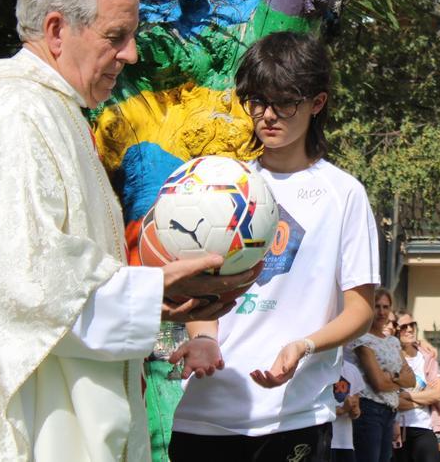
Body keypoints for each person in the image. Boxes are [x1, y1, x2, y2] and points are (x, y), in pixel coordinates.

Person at [0, 0, 257, 460]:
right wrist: (150, 294)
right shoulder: (14, 115)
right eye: (116, 37)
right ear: (55, 31)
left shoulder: (49, 110)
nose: (132, 54)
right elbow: (29, 285)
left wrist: (153, 299)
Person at [168, 31, 380, 461]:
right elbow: (202, 288)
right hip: (202, 418)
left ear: (317, 103)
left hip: (295, 418)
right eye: (257, 102)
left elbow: (360, 311)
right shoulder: (219, 182)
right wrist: (205, 338)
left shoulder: (344, 193)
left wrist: (304, 345)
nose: (267, 115)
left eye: (284, 102)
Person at [353, 287, 417, 462]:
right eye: (376, 306)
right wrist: (398, 378)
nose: (381, 311)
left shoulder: (393, 342)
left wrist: (391, 377)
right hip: (369, 409)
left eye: (385, 307)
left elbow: (411, 380)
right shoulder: (362, 339)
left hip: (390, 411)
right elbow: (378, 383)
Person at [394, 311, 440, 462]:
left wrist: (405, 396)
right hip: (396, 429)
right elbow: (394, 401)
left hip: (424, 427)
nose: (410, 329)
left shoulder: (427, 358)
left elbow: (436, 395)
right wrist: (423, 398)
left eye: (412, 325)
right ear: (395, 330)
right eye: (404, 326)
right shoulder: (390, 358)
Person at [334, 349, 366, 462]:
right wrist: (342, 410)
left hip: (345, 442)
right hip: (325, 440)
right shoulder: (318, 369)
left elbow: (356, 412)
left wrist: (354, 410)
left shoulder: (352, 369)